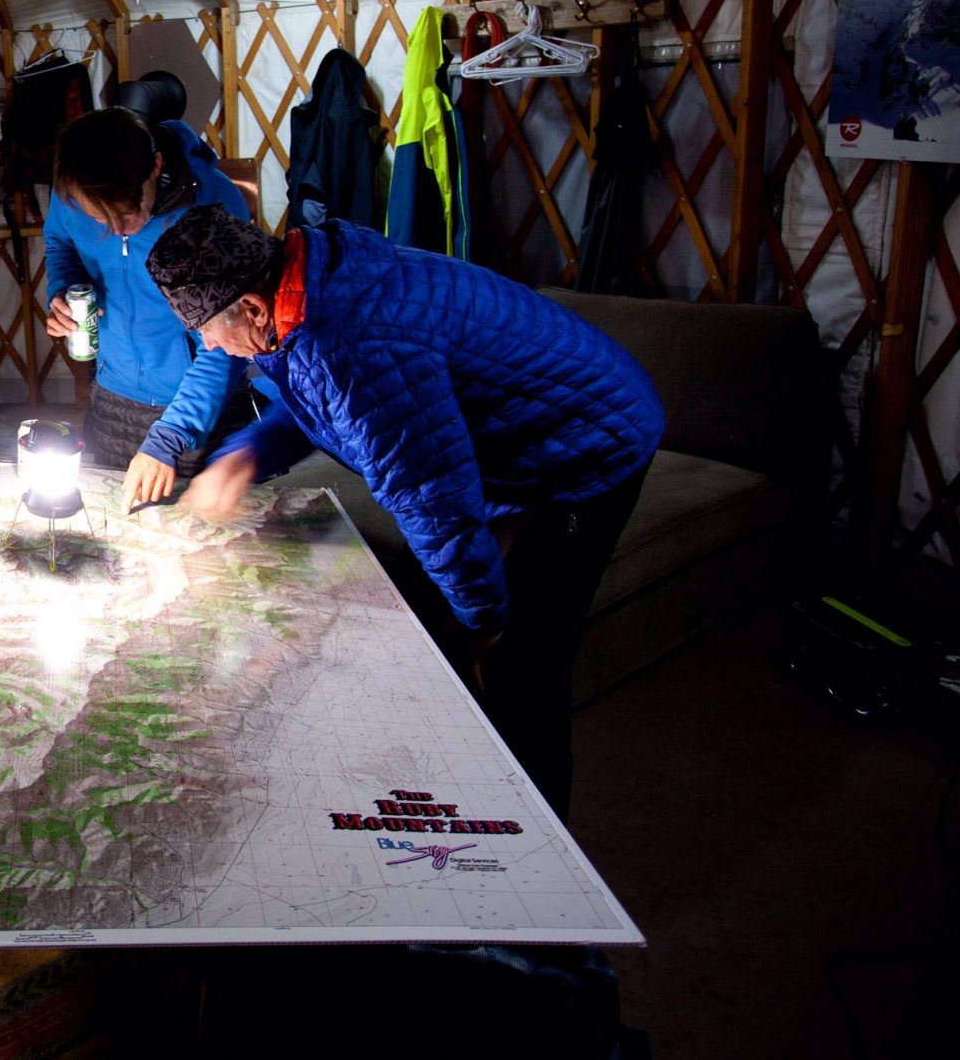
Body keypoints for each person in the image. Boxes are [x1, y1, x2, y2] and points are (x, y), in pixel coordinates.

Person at [145, 204, 663, 818]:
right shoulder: (312, 276)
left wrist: (480, 621)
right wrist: (249, 453)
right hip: (519, 428)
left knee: (523, 665)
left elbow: (430, 496)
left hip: (588, 442)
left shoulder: (355, 341)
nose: (206, 346)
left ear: (253, 309)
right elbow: (319, 386)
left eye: (205, 331)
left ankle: (540, 846)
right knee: (455, 601)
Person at [42, 105, 254, 512]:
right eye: (96, 219)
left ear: (156, 166)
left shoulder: (212, 206)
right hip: (113, 399)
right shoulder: (73, 189)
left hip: (200, 407)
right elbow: (61, 241)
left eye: (126, 215)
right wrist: (64, 288)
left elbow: (226, 342)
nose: (117, 232)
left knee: (211, 551)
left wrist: (171, 435)